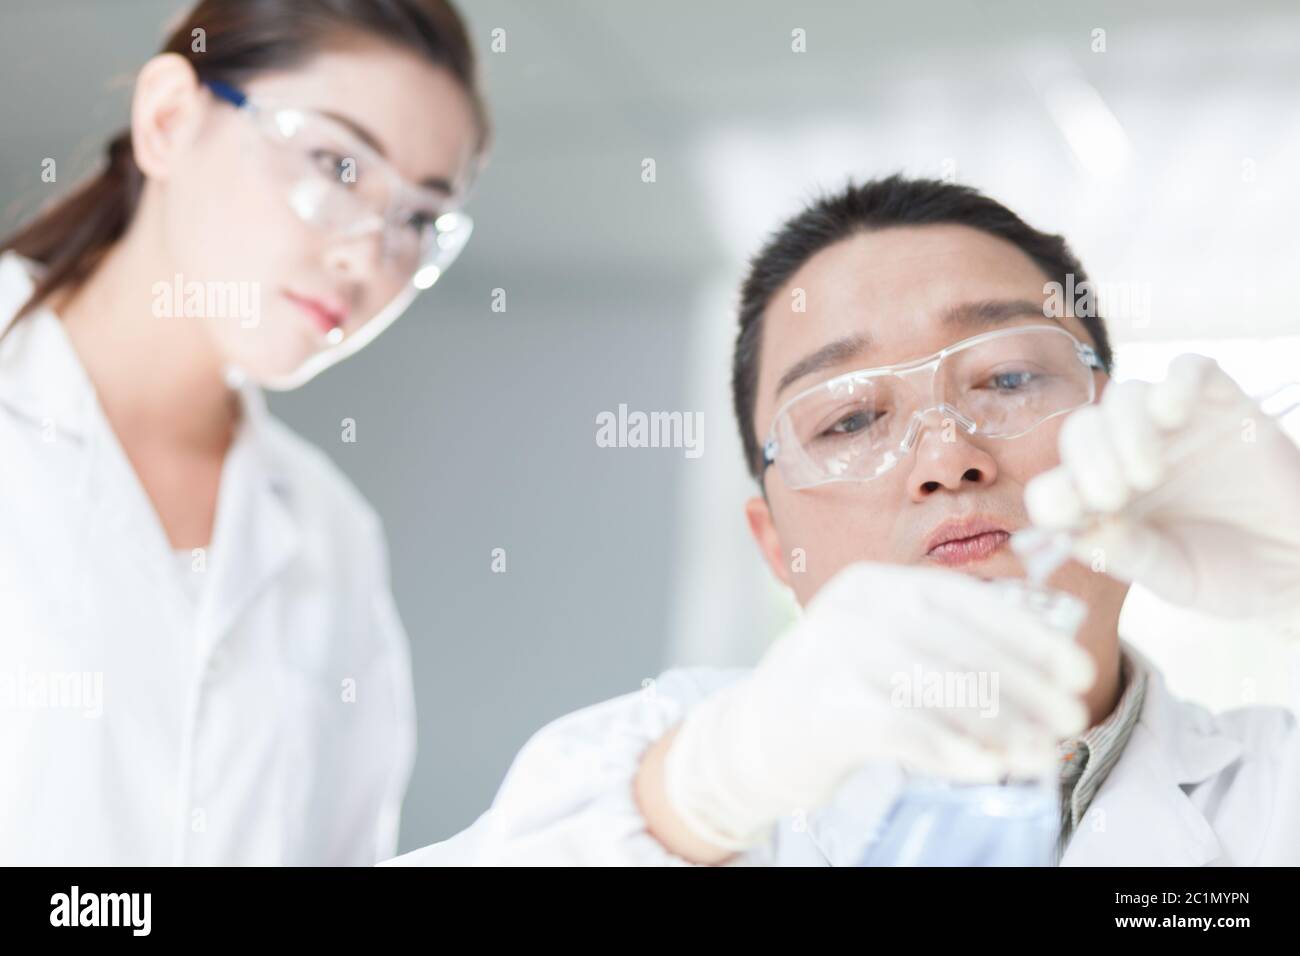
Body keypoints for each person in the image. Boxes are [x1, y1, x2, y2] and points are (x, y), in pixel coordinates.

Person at [388, 175, 1300, 866]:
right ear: (777, 547)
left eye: (1011, 378)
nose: (949, 461)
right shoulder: (665, 771)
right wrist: (699, 795)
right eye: (851, 420)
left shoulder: (1270, 793)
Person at [0, 0, 489, 864]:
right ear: (169, 120)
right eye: (338, 165)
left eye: (418, 219)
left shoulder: (335, 541)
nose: (369, 256)